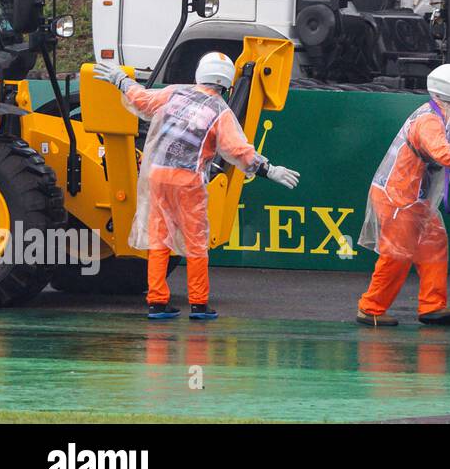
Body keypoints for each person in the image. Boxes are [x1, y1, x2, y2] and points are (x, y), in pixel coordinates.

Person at [94, 52, 301, 320]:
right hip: (187, 179)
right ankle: (199, 305)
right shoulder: (220, 111)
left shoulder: (174, 94)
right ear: (226, 85)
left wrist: (121, 81)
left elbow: (141, 100)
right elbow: (238, 151)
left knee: (159, 239)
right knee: (195, 242)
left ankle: (157, 303)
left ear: (199, 74)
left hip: (156, 174)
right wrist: (269, 169)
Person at [356, 64, 450, 327]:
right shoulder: (428, 120)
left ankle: (432, 306)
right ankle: (370, 308)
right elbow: (442, 154)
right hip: (398, 199)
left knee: (434, 244)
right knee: (397, 256)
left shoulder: (443, 115)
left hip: (416, 200)